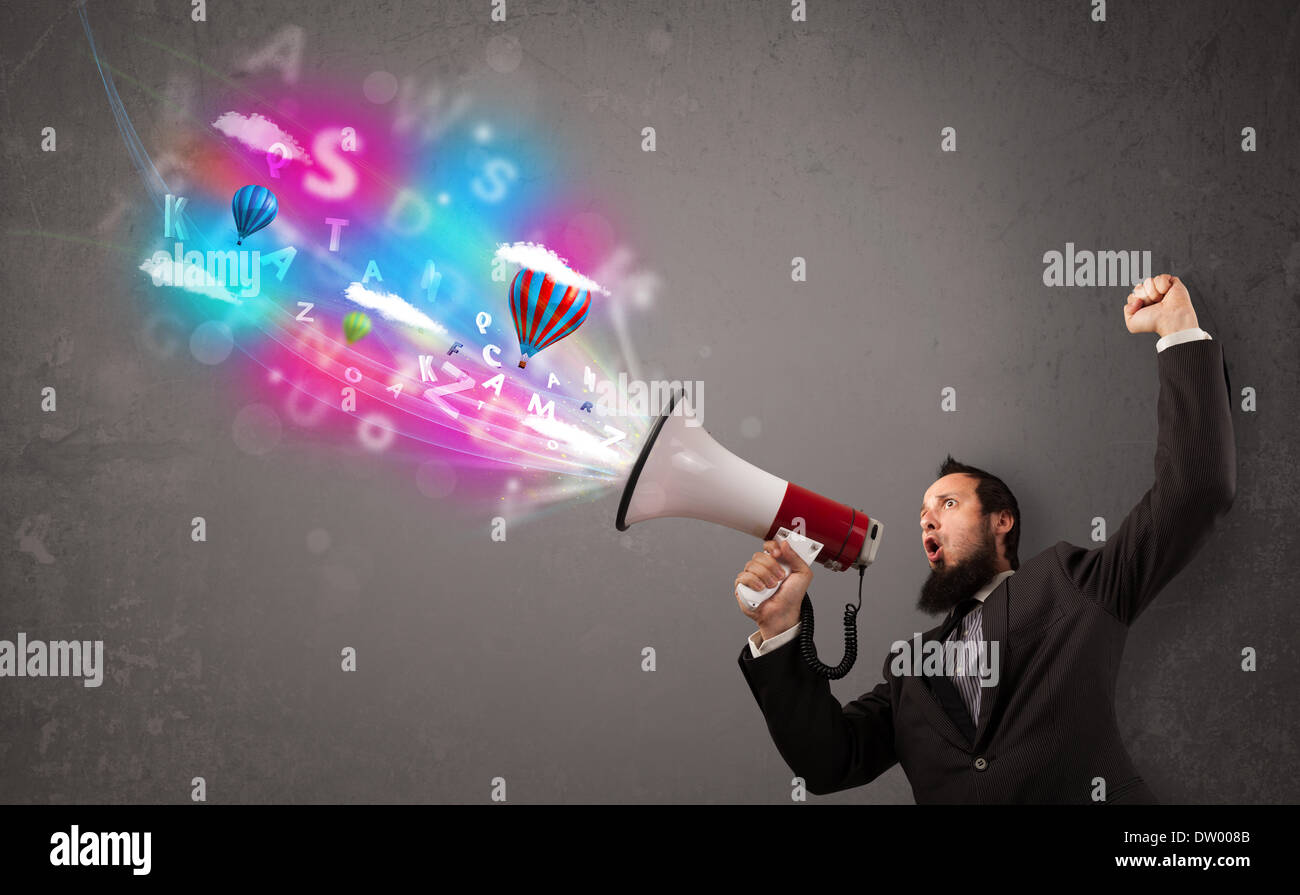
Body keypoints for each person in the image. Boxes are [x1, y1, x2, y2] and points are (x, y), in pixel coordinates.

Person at [735, 274, 1235, 803]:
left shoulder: (1070, 585)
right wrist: (780, 629)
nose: (927, 520)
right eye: (922, 514)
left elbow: (1195, 492)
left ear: (1003, 521)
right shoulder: (908, 668)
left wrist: (1177, 329)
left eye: (947, 504)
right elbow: (828, 764)